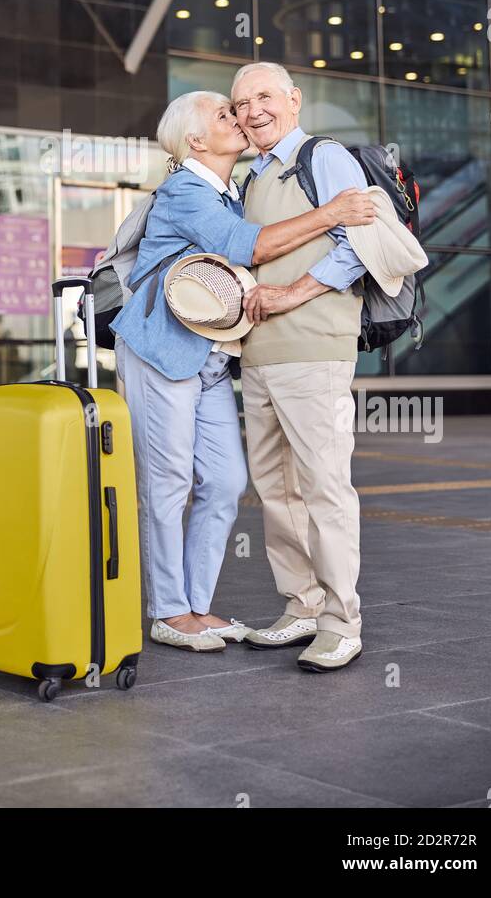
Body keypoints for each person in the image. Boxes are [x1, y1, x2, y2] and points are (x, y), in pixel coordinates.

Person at [111, 91, 375, 652]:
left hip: (209, 361)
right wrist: (333, 212)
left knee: (228, 482)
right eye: (225, 114)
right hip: (161, 352)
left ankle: (197, 606)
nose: (240, 118)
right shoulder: (185, 191)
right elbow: (247, 247)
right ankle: (168, 611)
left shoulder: (233, 191)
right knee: (168, 483)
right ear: (196, 141)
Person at [232, 62, 369, 671]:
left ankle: (343, 621)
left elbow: (361, 246)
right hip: (259, 356)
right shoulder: (250, 176)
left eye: (264, 96)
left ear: (294, 99)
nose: (252, 110)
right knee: (276, 492)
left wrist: (292, 293)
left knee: (324, 488)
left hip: (315, 350)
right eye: (240, 104)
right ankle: (302, 605)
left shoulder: (324, 157)